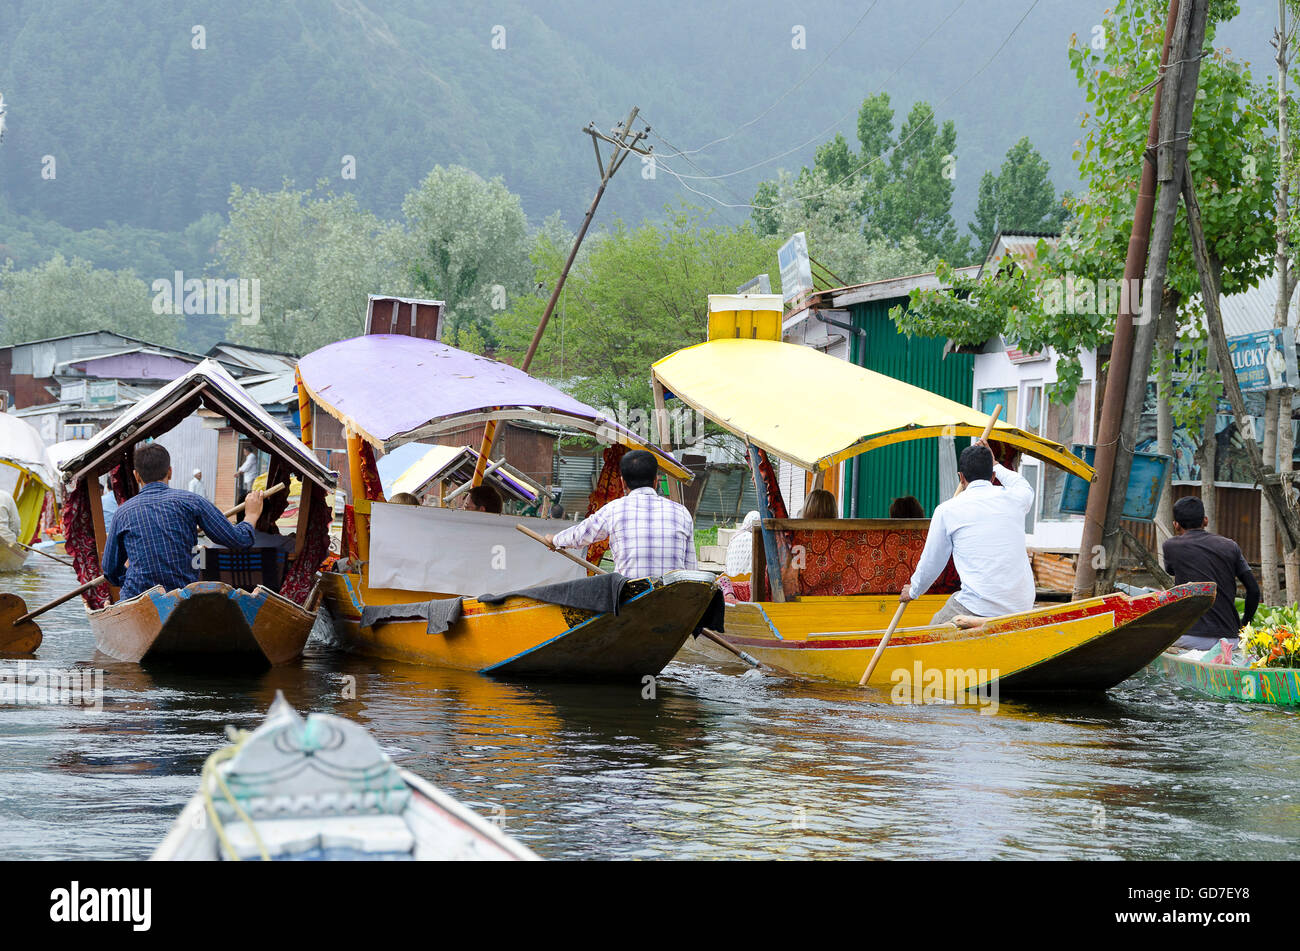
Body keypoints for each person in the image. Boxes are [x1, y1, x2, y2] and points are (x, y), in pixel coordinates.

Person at [102, 442, 265, 600]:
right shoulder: (192, 501)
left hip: (137, 596)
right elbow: (239, 540)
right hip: (183, 599)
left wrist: (130, 580)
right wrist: (251, 515)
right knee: (197, 562)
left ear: (136, 476)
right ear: (170, 472)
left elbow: (110, 571)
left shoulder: (122, 513)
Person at [902, 439, 1035, 624]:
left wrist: (913, 591)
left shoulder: (947, 510)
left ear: (961, 477)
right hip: (1022, 605)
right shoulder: (1016, 498)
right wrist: (995, 463)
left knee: (933, 629)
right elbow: (1021, 484)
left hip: (979, 606)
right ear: (993, 476)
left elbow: (933, 560)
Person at [544, 449, 695, 579]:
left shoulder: (614, 509)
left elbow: (580, 535)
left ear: (622, 483)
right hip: (674, 600)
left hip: (629, 599)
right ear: (656, 482)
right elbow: (691, 571)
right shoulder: (682, 513)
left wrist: (555, 540)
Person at [1162, 496, 1260, 650]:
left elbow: (1171, 570)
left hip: (1189, 637)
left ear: (1176, 525)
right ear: (1205, 521)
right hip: (1230, 639)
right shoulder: (1230, 546)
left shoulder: (1170, 546)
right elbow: (1254, 591)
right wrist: (1244, 624)